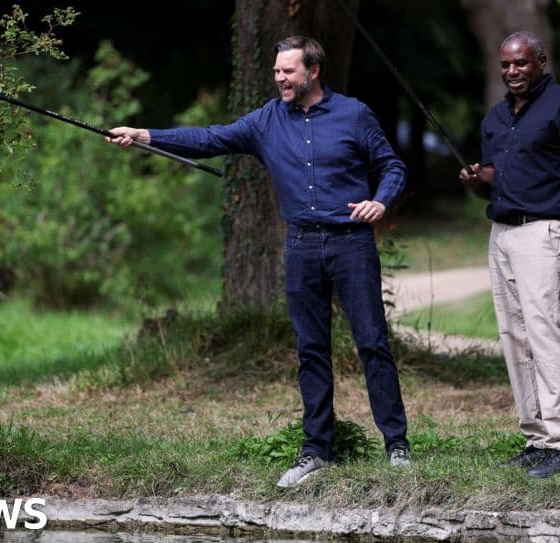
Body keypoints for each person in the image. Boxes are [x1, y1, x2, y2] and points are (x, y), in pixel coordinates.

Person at [107, 36, 411, 487]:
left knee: (371, 343)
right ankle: (316, 450)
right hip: (302, 246)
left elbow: (393, 168)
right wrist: (146, 135)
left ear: (313, 71)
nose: (279, 79)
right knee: (311, 350)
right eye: (275, 71)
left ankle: (397, 446)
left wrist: (380, 202)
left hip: (351, 244)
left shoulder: (354, 114)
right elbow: (209, 138)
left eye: (287, 71)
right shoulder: (266, 121)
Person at [459, 31, 560, 479]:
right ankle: (536, 438)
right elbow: (495, 177)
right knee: (514, 336)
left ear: (540, 61)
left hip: (546, 232)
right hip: (502, 231)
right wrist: (477, 179)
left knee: (545, 333)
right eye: (505, 65)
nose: (512, 72)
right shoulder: (497, 117)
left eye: (521, 63)